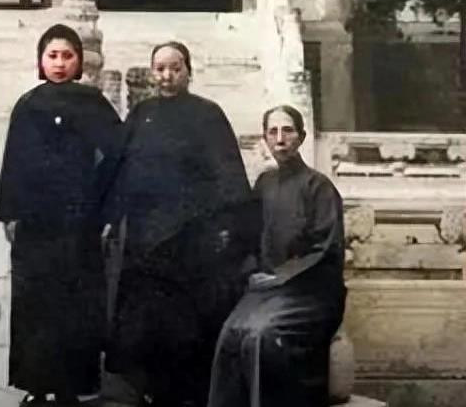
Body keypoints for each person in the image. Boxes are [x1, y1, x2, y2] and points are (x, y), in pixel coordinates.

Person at [104, 42, 255, 407]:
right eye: (160, 69)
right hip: (144, 237)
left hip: (191, 237)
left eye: (175, 68)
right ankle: (146, 390)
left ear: (189, 71)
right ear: (152, 73)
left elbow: (227, 175)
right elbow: (119, 169)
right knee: (144, 324)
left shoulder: (207, 115)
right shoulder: (142, 115)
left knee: (187, 326)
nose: (167, 76)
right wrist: (110, 216)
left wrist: (224, 227)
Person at [0, 24, 121, 407]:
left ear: (79, 61)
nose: (60, 63)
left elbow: (117, 157)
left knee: (76, 302)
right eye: (53, 56)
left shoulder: (93, 103)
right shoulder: (28, 105)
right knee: (35, 301)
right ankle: (36, 385)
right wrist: (10, 214)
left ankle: (70, 387)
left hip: (78, 220)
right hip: (36, 221)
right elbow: (13, 163)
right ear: (41, 60)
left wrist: (105, 208)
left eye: (67, 56)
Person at [207, 105, 346, 407]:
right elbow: (248, 238)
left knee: (261, 336)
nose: (280, 139)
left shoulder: (319, 187)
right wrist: (250, 271)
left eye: (288, 131)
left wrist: (280, 278)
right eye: (273, 132)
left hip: (309, 292)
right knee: (231, 333)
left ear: (302, 136)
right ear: (266, 139)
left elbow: (327, 249)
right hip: (266, 290)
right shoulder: (264, 184)